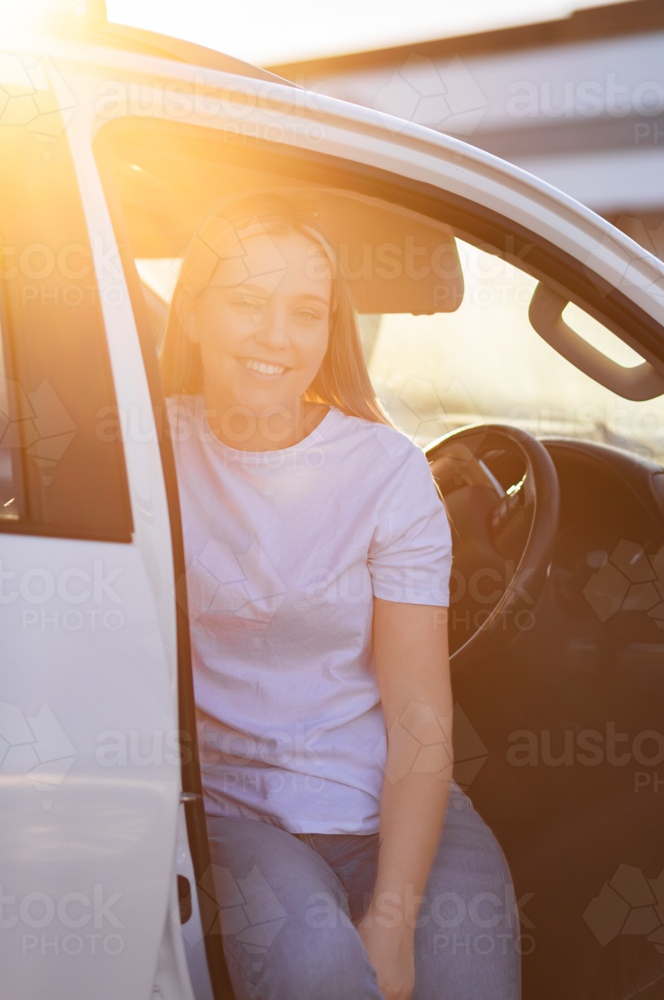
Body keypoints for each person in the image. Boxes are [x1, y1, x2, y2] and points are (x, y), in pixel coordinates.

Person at [160, 192, 521, 1000]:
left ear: (329, 330)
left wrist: (392, 923)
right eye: (247, 304)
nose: (276, 339)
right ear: (192, 312)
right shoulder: (141, 453)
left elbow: (419, 717)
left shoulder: (386, 472)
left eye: (305, 312)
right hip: (236, 813)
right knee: (322, 972)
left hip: (389, 801)